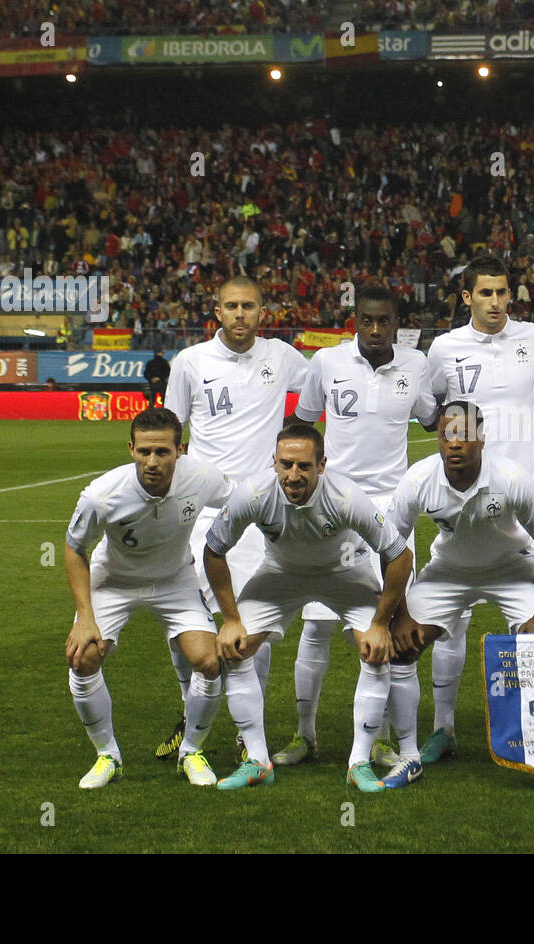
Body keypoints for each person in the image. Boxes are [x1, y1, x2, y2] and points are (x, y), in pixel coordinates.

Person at [277, 284, 438, 770]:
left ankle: (384, 739)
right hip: (332, 505)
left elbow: (433, 419)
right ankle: (305, 736)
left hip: (392, 509)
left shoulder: (416, 366)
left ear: (396, 324)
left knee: (386, 621)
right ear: (354, 322)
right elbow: (301, 426)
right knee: (317, 623)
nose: (373, 329)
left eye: (383, 321)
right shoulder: (326, 364)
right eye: (365, 320)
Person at [203, 424, 414, 790]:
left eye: (303, 466)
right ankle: (258, 760)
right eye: (285, 465)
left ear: (321, 465)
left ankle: (358, 763)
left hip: (345, 572)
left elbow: (399, 555)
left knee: (376, 650)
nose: (293, 475)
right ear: (274, 463)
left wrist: (381, 622)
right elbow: (213, 550)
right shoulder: (253, 494)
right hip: (280, 574)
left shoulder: (346, 496)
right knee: (234, 648)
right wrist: (231, 619)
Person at [158, 275, 309, 761]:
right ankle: (189, 714)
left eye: (249, 306)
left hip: (259, 517)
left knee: (252, 628)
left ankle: (250, 735)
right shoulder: (190, 362)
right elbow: (171, 436)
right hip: (199, 513)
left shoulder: (283, 358)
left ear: (262, 312)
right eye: (231, 306)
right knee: (184, 627)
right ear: (216, 311)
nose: (240, 314)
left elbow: (322, 390)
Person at [384, 402, 534, 789]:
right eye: (447, 434)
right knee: (401, 647)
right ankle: (410, 754)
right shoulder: (418, 480)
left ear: (481, 438)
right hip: (448, 572)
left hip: (511, 569)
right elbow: (392, 546)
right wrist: (400, 615)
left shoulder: (512, 478)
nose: (454, 444)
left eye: (464, 434)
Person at [419, 255, 534, 763]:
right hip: (465, 499)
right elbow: (432, 412)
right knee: (452, 618)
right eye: (485, 293)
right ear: (467, 296)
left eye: (502, 292)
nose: (496, 302)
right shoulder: (445, 347)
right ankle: (443, 729)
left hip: (525, 501)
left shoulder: (532, 337)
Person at [63, 407, 232, 790]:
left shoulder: (202, 477)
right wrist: (85, 616)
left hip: (175, 580)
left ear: (180, 450)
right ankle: (108, 755)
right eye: (143, 452)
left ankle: (191, 751)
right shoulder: (102, 495)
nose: (152, 462)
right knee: (83, 658)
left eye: (162, 452)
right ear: (130, 449)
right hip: (114, 582)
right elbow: (74, 548)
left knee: (208, 661)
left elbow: (239, 502)